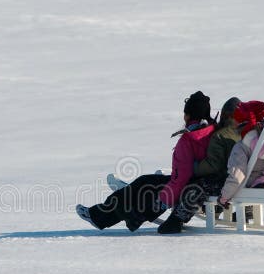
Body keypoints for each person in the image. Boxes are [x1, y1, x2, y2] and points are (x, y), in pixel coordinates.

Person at [76, 91, 217, 232]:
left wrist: (161, 202)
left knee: (142, 189)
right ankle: (107, 210)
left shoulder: (189, 139)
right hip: (201, 182)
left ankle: (98, 216)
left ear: (188, 115)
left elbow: (181, 178)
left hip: (188, 186)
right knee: (144, 183)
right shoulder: (213, 130)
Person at [156, 96, 242, 233]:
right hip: (247, 179)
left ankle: (177, 219)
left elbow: (214, 164)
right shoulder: (246, 132)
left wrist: (194, 168)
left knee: (195, 188)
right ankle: (239, 212)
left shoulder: (221, 134)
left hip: (227, 181)